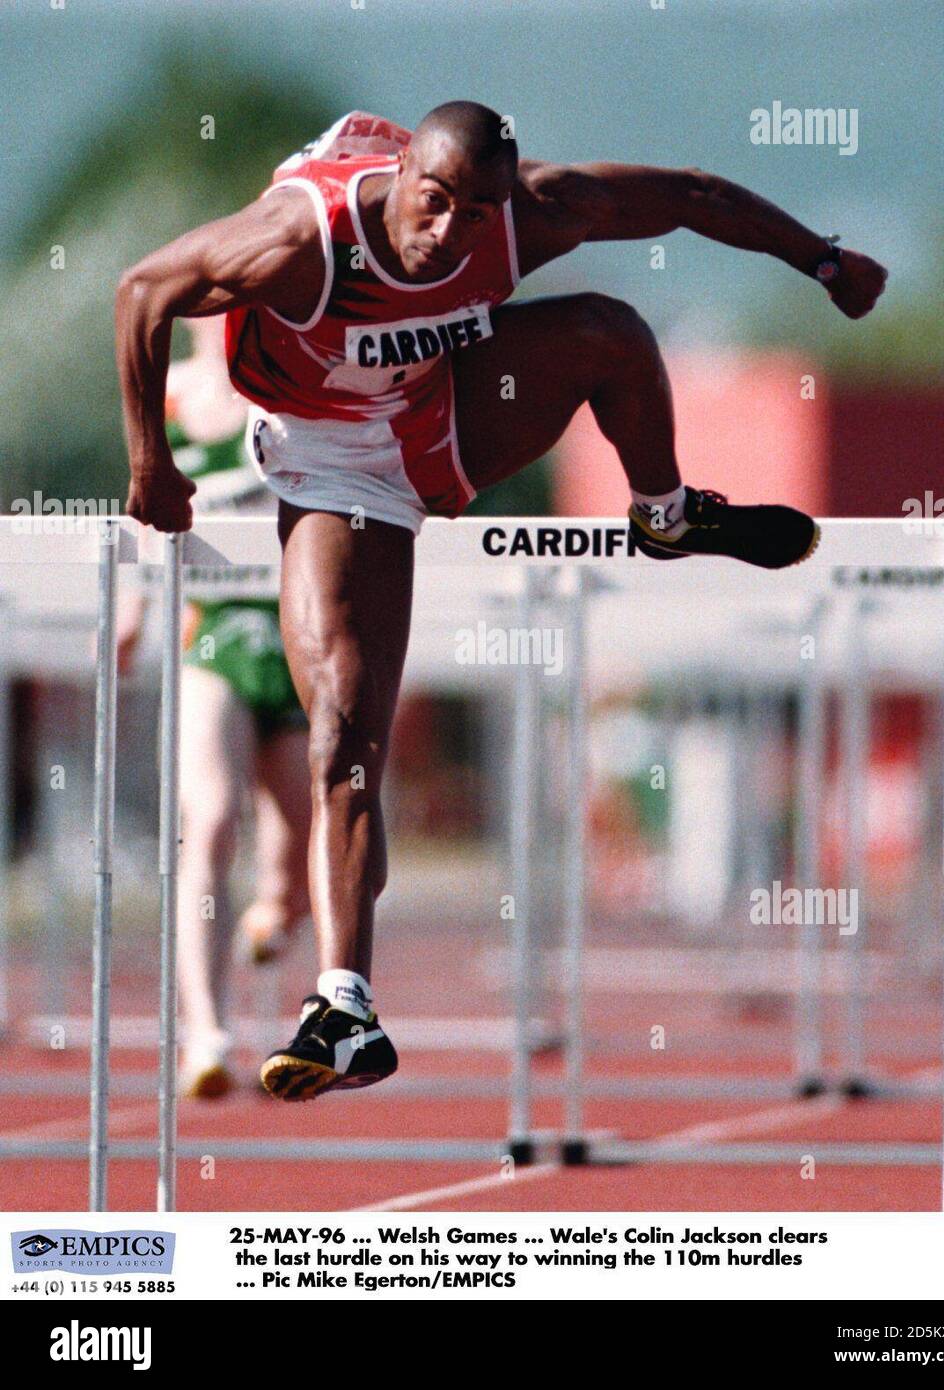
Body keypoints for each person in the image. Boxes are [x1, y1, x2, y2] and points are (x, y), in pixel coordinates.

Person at [115, 103, 888, 1101]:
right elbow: (142, 290)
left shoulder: (525, 214)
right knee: (347, 731)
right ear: (402, 182)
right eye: (432, 206)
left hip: (440, 409)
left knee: (608, 329)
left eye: (472, 216)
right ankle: (343, 1003)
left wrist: (820, 261)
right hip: (326, 460)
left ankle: (662, 511)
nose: (447, 234)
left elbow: (689, 197)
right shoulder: (303, 242)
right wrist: (150, 462)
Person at [117, 316, 311, 1098]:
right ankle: (206, 1028)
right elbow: (139, 504)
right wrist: (131, 604)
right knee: (214, 819)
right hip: (212, 640)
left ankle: (277, 911)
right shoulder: (160, 406)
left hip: (294, 636)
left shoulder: (285, 400)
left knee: (305, 838)